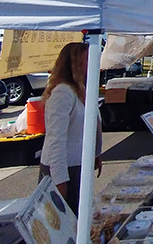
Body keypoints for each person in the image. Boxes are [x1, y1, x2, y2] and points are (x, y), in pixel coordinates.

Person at [39, 42, 102, 215]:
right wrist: (60, 180)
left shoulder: (80, 89)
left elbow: (93, 123)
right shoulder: (62, 93)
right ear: (74, 63)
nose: (93, 62)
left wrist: (96, 153)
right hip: (63, 170)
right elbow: (55, 141)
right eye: (88, 59)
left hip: (78, 165)